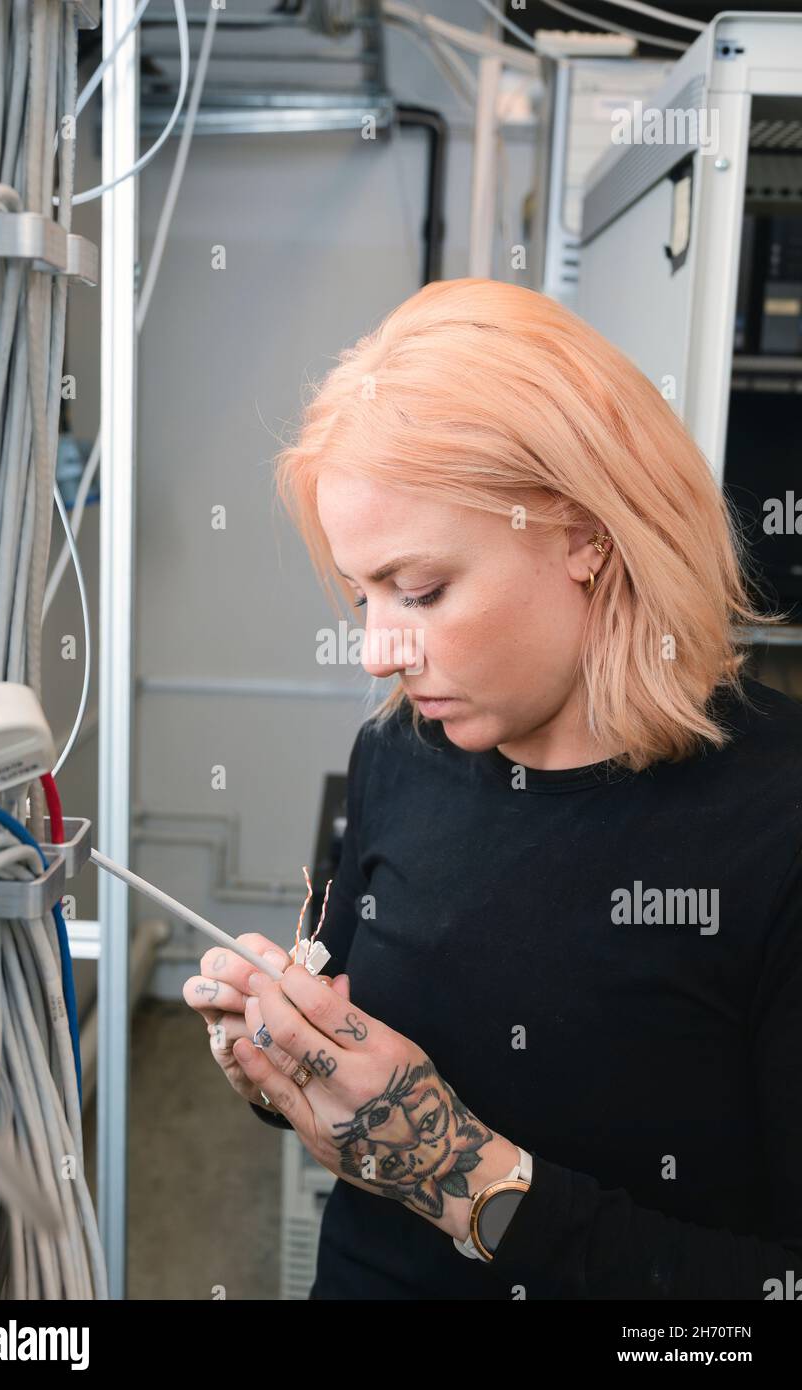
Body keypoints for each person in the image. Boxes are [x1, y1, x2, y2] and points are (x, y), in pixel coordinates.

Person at [183, 278, 802, 1300]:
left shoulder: (774, 830)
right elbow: (348, 1035)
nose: (378, 649)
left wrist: (462, 1174)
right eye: (361, 593)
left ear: (585, 534)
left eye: (420, 590)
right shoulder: (398, 753)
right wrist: (280, 1059)